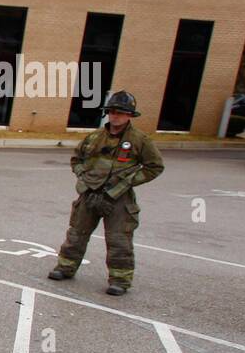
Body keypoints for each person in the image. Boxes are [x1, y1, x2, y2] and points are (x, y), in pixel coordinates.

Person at [48, 91, 164, 296]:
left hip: (118, 198)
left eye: (120, 113)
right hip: (89, 193)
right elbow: (77, 159)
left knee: (119, 239)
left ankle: (120, 279)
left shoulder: (139, 140)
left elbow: (154, 167)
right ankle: (65, 267)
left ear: (130, 115)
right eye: (112, 112)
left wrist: (129, 182)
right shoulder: (94, 138)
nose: (115, 116)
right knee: (76, 233)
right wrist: (83, 177)